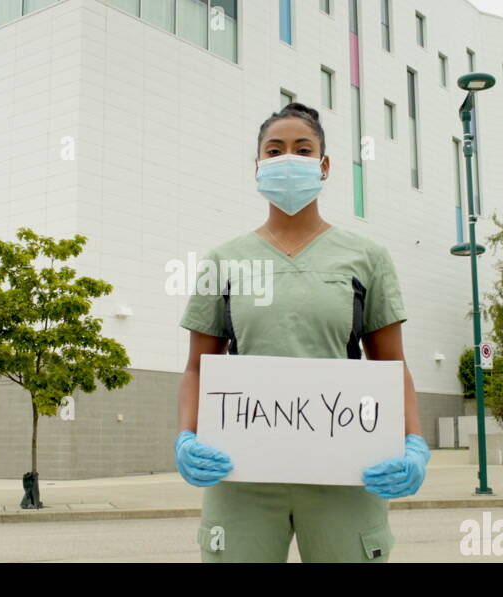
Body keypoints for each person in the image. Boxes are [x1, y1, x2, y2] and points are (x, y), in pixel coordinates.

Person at [175, 102, 431, 563]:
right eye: (274, 151)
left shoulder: (367, 258)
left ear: (324, 165)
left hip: (347, 473)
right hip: (242, 476)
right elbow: (196, 367)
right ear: (257, 167)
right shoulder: (222, 261)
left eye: (302, 149)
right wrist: (186, 437)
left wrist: (413, 443)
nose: (287, 159)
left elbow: (392, 366)